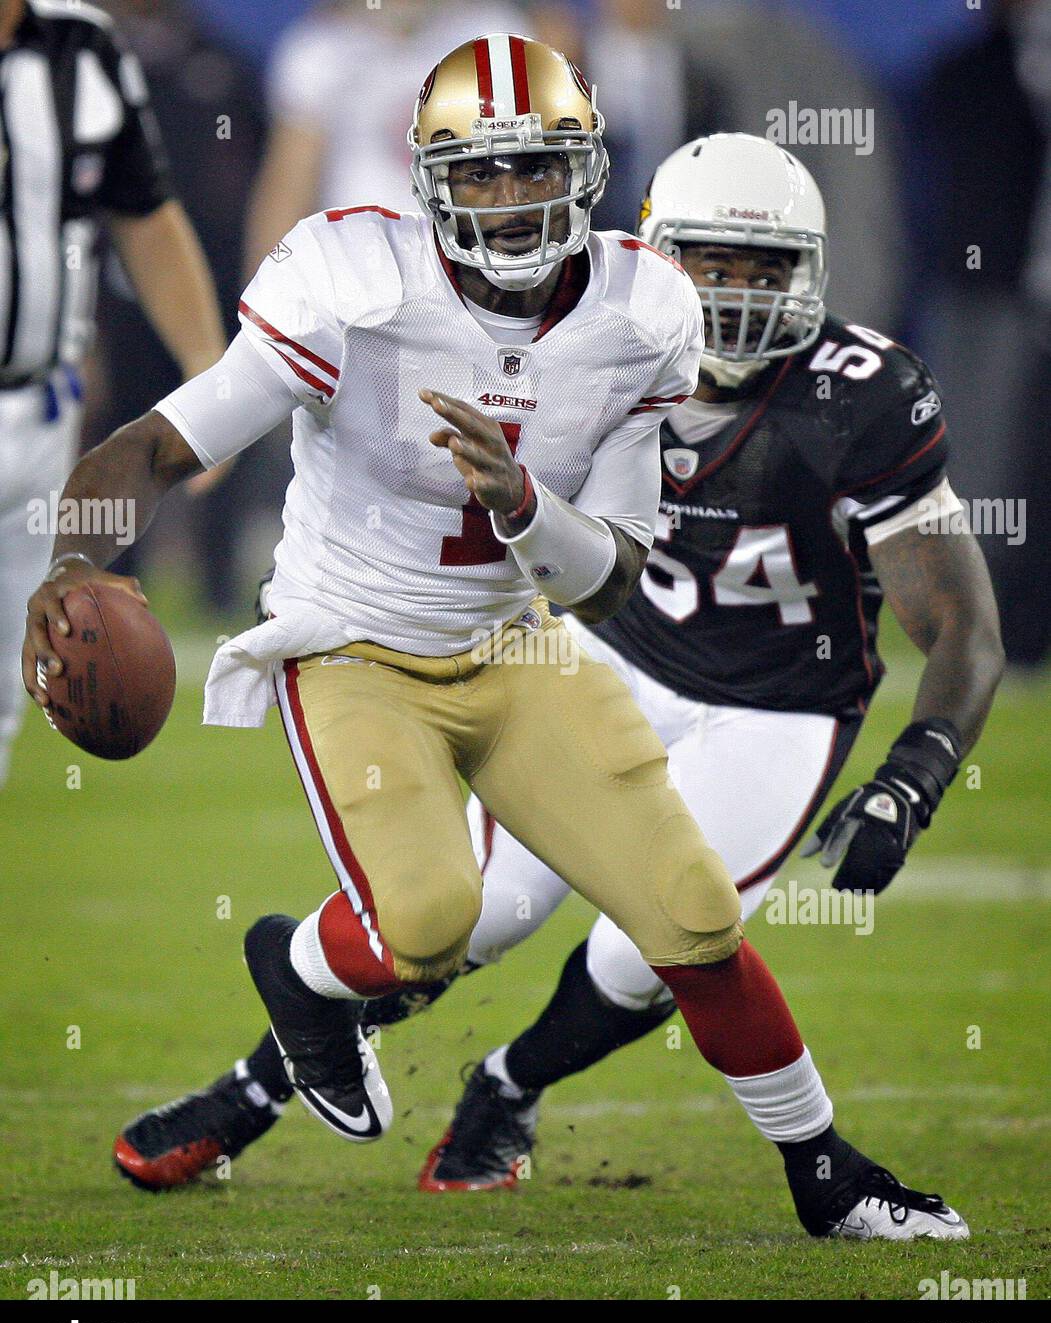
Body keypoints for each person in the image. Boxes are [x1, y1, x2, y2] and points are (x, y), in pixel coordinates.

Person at [30, 58, 971, 1241]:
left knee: (690, 912)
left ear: (586, 174)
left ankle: (826, 1175)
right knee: (426, 923)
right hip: (356, 646)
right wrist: (74, 561)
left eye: (539, 166)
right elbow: (161, 445)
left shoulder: (640, 312)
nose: (514, 197)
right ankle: (299, 974)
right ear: (430, 183)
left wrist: (528, 508)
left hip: (516, 650)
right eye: (481, 171)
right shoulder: (354, 281)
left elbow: (615, 569)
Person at [0, 0, 225, 787]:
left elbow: (144, 214)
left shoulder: (81, 44)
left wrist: (206, 367)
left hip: (39, 417)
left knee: (8, 698)